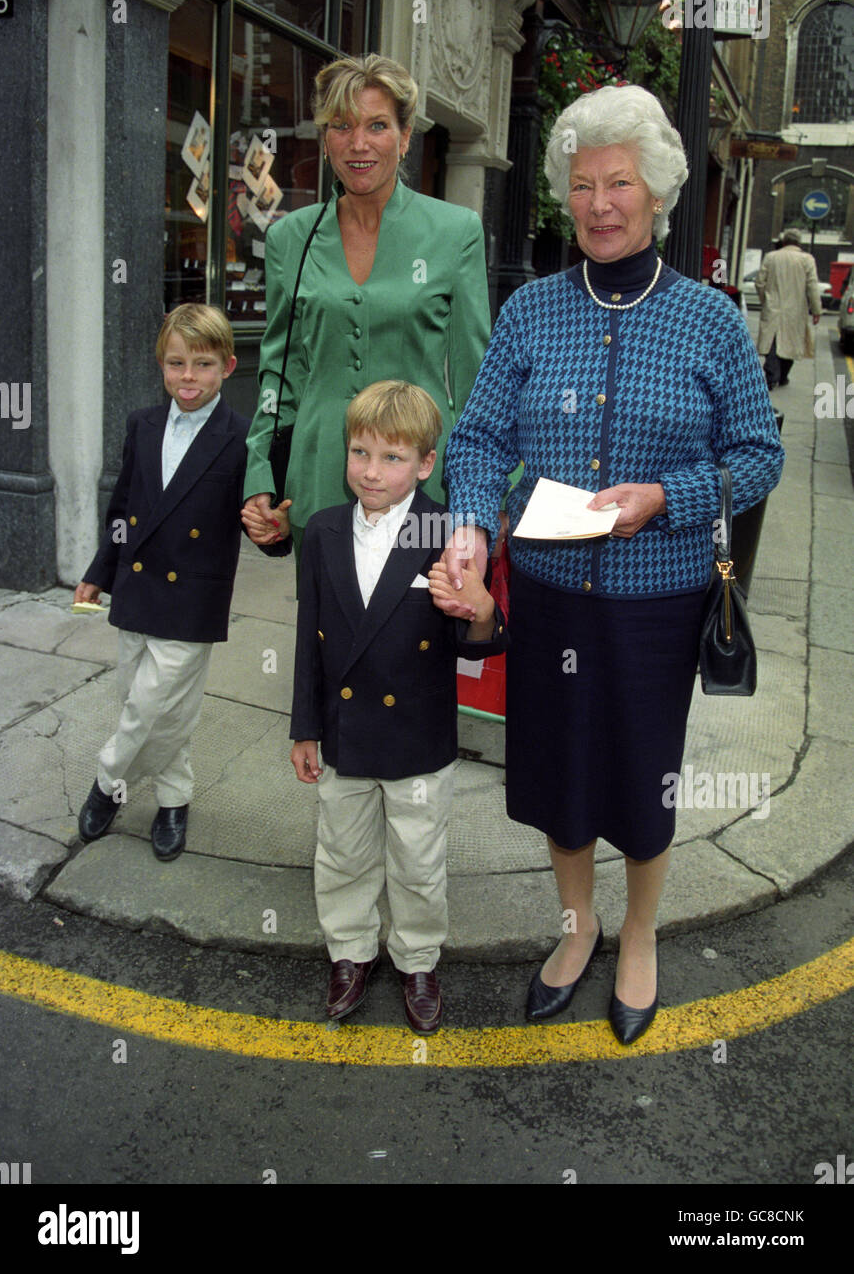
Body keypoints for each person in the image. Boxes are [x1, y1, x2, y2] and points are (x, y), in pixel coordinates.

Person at [437, 84, 784, 1045]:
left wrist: (664, 497)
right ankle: (575, 924)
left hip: (655, 603)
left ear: (657, 193)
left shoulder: (710, 319)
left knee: (640, 773)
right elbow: (474, 441)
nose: (599, 203)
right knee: (558, 770)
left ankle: (639, 933)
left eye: (619, 182)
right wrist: (470, 528)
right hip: (547, 593)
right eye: (584, 184)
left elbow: (760, 455)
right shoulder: (532, 311)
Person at [289, 380, 508, 1033]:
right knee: (342, 854)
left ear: (425, 463)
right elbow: (309, 641)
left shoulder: (449, 531)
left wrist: (482, 611)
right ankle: (351, 952)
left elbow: (478, 642)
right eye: (360, 453)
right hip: (345, 733)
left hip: (417, 736)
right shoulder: (324, 531)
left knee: (417, 861)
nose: (371, 471)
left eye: (390, 457)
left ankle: (416, 959)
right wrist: (305, 728)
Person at [242, 53, 491, 561]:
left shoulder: (455, 231)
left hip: (419, 476)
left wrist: (482, 497)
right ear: (325, 138)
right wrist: (259, 474)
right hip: (318, 474)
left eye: (377, 126)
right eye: (342, 125)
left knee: (414, 631)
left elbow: (475, 377)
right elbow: (278, 372)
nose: (359, 143)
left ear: (403, 139)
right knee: (325, 630)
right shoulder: (291, 237)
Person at [75, 304, 288, 861]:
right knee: (152, 707)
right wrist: (100, 573)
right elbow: (122, 508)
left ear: (227, 366)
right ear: (161, 365)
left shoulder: (245, 437)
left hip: (193, 595)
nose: (187, 377)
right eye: (176, 363)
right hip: (136, 587)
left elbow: (264, 518)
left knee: (148, 707)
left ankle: (107, 782)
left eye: (202, 364)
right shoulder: (141, 424)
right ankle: (174, 800)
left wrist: (272, 530)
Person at [755, 228, 822, 390]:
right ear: (799, 243)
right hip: (796, 310)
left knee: (772, 342)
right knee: (790, 344)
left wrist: (766, 299)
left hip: (773, 307)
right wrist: (816, 310)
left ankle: (772, 376)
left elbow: (759, 282)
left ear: (783, 242)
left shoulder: (771, 257)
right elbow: (812, 286)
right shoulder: (807, 260)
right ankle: (782, 375)